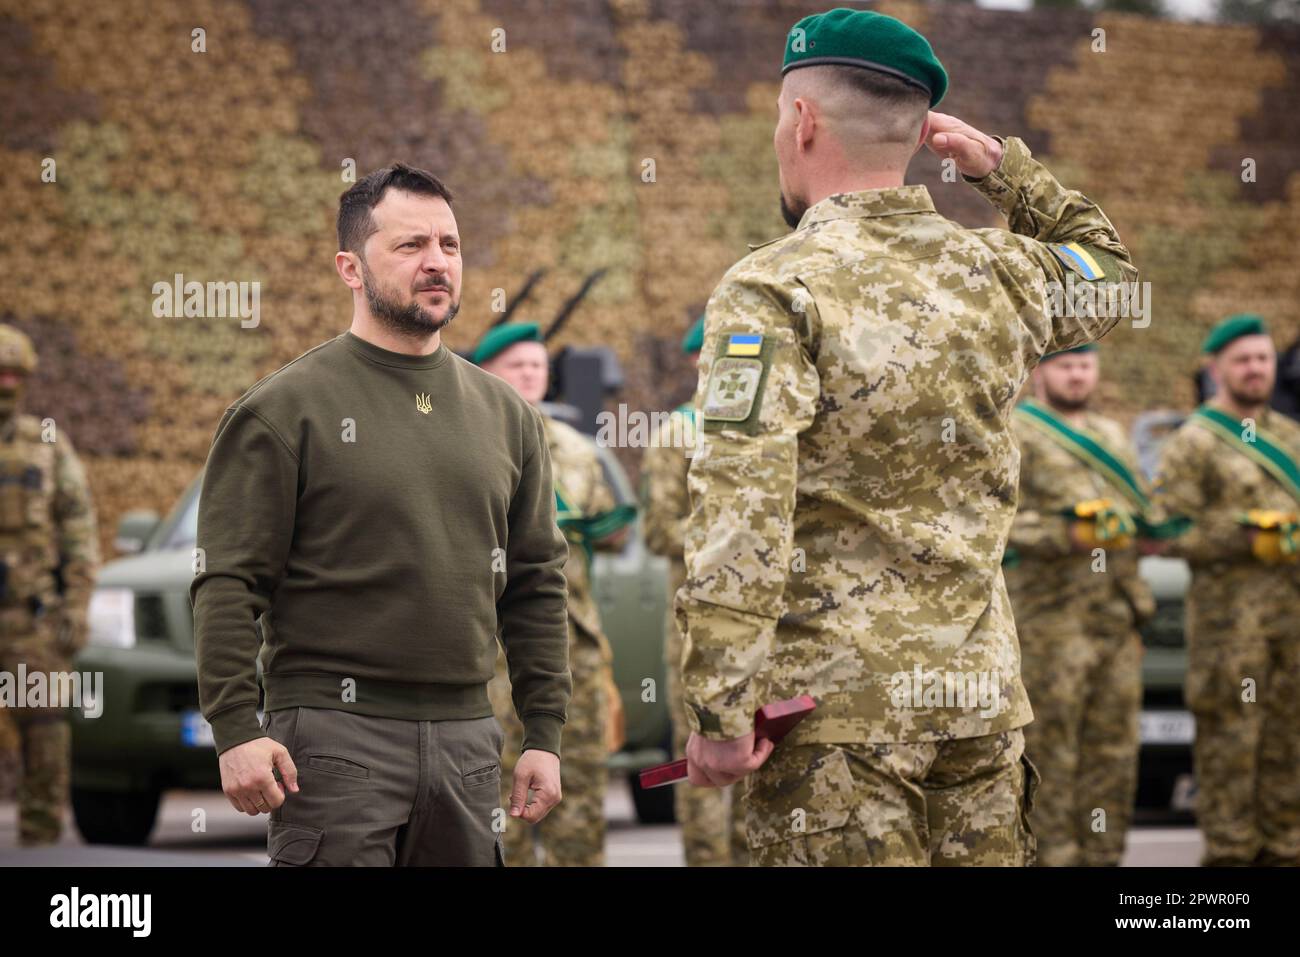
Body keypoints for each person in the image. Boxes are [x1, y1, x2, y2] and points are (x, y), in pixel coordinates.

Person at [676, 7, 1137, 866]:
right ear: (922, 129)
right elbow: (1111, 274)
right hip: (981, 708)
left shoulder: (772, 288)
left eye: (783, 118)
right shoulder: (1002, 271)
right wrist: (1002, 170)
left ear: (803, 121)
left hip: (835, 722)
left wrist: (718, 707)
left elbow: (742, 507)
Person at [191, 164, 571, 867]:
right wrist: (236, 728)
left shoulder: (507, 416)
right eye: (411, 246)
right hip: (333, 745)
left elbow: (537, 584)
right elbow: (226, 582)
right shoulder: (282, 411)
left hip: (468, 743)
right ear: (350, 267)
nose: (437, 263)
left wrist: (544, 733)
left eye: (450, 246)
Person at [475, 320, 632, 866]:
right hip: (490, 646)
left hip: (572, 640)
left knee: (580, 780)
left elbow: (613, 533)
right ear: (488, 373)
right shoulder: (469, 444)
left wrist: (607, 527)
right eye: (517, 365)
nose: (530, 375)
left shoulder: (576, 451)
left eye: (538, 366)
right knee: (493, 789)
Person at [1152, 313, 1300, 866]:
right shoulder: (1194, 443)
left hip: (1291, 624)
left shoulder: (1288, 435)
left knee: (1289, 744)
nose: (1255, 369)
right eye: (1242, 360)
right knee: (1230, 748)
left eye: (1263, 358)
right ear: (1216, 370)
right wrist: (1245, 536)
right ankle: (1231, 863)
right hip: (1228, 629)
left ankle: (1286, 850)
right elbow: (1167, 531)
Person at [1004, 344, 1153, 866]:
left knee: (1113, 753)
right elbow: (996, 525)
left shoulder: (1111, 437)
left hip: (1113, 620)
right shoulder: (1017, 434)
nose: (1076, 376)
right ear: (1040, 373)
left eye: (1085, 366)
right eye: (1065, 366)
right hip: (1049, 624)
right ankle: (1053, 857)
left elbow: (1142, 515)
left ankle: (1103, 856)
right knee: (1051, 754)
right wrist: (1064, 532)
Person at [641, 315, 747, 865]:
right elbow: (658, 532)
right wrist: (735, 538)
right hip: (699, 624)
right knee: (706, 769)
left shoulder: (769, 426)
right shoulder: (678, 433)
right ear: (696, 361)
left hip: (776, 623)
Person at [0, 324, 100, 845]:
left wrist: (76, 608)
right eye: (1, 372)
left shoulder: (46, 445)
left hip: (28, 620)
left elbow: (79, 532)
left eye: (15, 374)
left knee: (46, 731)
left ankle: (39, 841)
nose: (7, 383)